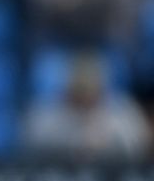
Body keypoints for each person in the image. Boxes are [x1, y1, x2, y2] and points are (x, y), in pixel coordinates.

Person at [22, 54, 151, 161]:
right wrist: (74, 143)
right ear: (69, 90)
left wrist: (109, 137)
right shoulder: (47, 113)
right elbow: (30, 144)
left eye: (90, 90)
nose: (85, 97)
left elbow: (140, 144)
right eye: (80, 90)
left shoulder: (122, 110)